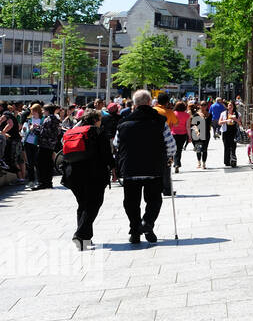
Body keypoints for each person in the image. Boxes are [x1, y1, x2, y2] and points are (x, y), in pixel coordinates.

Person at [114, 89, 174, 245]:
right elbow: (171, 145)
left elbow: (116, 145)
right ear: (149, 102)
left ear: (134, 104)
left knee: (131, 202)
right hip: (153, 167)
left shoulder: (123, 124)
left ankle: (135, 231)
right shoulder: (160, 121)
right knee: (154, 200)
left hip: (130, 168)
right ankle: (147, 223)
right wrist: (169, 157)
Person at [63, 108, 113, 250]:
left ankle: (85, 240)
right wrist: (113, 168)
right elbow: (106, 153)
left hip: (72, 173)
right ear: (96, 120)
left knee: (83, 205)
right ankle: (80, 234)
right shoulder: (98, 131)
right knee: (94, 203)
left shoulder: (73, 131)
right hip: (93, 173)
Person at [187, 102, 211, 170]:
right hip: (198, 134)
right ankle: (199, 162)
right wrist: (197, 131)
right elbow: (193, 125)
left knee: (205, 149)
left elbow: (209, 125)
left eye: (205, 105)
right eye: (202, 105)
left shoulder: (209, 114)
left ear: (207, 106)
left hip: (206, 134)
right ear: (199, 106)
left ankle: (204, 163)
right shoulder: (196, 115)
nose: (203, 106)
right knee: (198, 149)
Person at [170, 99, 190, 173]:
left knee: (172, 150)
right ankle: (177, 164)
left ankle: (172, 161)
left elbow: (170, 124)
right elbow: (188, 126)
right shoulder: (187, 115)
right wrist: (190, 137)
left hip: (173, 134)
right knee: (179, 150)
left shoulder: (173, 113)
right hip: (183, 134)